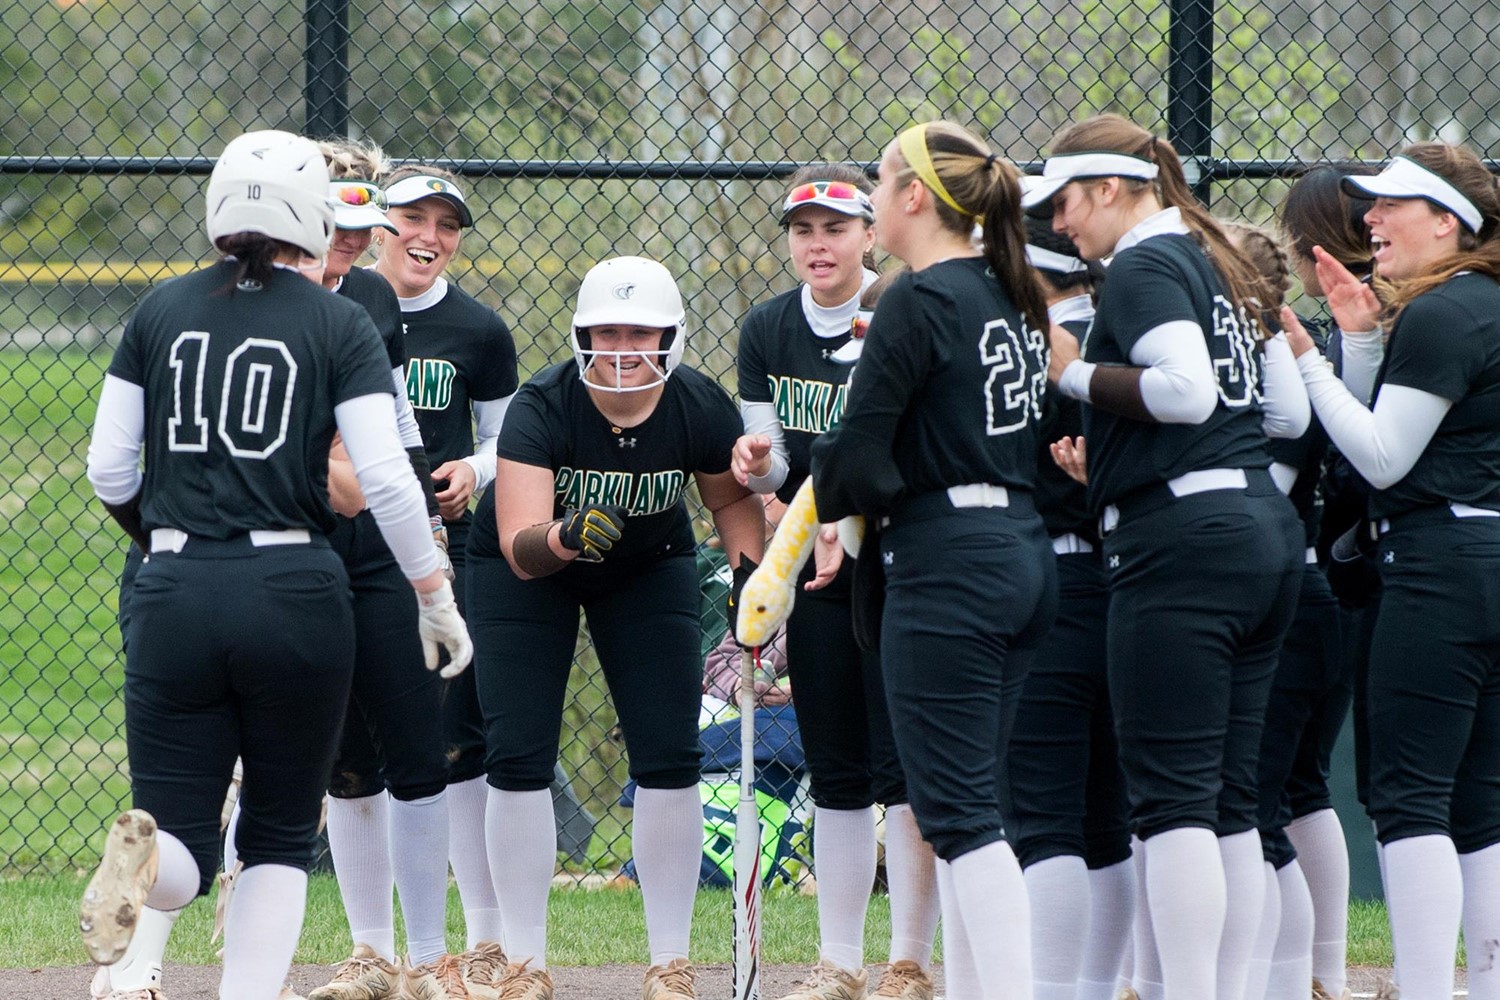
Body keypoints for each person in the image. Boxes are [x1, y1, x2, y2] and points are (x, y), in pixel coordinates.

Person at [81, 129, 471, 1000]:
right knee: (280, 834)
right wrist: (431, 588)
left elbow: (108, 468)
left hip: (173, 586)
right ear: (309, 210)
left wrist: (166, 538)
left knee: (179, 830)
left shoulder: (159, 310)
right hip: (295, 589)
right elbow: (387, 481)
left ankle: (146, 864)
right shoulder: (340, 319)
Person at [1024, 113, 1308, 1000]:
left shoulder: (1148, 260)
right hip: (1258, 530)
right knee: (1229, 803)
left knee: (1175, 801)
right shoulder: (1212, 253)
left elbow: (1184, 393)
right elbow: (1285, 420)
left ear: (1110, 187)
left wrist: (1070, 374)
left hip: (1182, 551)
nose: (1060, 223)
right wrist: (1117, 451)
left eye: (1066, 202)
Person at [468, 255, 765, 1000]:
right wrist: (568, 536)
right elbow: (520, 544)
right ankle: (525, 962)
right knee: (518, 751)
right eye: (607, 332)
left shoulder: (698, 404)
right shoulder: (542, 406)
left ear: (671, 337)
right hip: (528, 565)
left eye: (641, 332)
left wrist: (748, 573)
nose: (623, 349)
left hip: (646, 563)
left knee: (669, 750)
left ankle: (670, 962)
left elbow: (730, 502)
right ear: (581, 336)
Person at [810, 121, 1057, 1000]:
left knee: (956, 813)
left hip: (948, 562)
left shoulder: (920, 296)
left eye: (879, 182)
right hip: (1023, 552)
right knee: (975, 807)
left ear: (914, 196)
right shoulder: (1014, 289)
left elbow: (862, 454)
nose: (873, 199)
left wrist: (830, 488)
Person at [1281, 143, 1500, 1000]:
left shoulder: (1449, 311)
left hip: (1441, 569)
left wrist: (1309, 357)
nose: (1369, 218)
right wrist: (1362, 342)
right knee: (1480, 805)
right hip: (1479, 557)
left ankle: (1423, 987)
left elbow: (1379, 456)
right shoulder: (1475, 304)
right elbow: (1397, 431)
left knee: (1409, 799)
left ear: (1447, 220)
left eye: (1391, 206)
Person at [732, 162, 940, 1000]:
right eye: (803, 230)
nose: (819, 246)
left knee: (913, 769)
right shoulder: (768, 329)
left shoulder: (904, 308)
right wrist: (758, 466)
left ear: (869, 233)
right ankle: (840, 962)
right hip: (810, 570)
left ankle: (908, 963)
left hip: (894, 557)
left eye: (836, 229)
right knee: (838, 768)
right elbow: (774, 460)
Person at [302, 140, 481, 1000]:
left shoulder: (372, 295)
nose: (347, 233)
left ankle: (429, 957)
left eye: (356, 217)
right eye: (331, 214)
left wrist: (427, 551)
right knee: (342, 756)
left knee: (417, 741)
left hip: (379, 536)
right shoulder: (251, 294)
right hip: (299, 543)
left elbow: (398, 427)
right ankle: (369, 952)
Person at [373, 164, 519, 954]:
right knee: (363, 749)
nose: (428, 237)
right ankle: (378, 946)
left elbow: (506, 439)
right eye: (412, 218)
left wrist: (474, 471)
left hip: (445, 544)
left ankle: (486, 938)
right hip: (354, 545)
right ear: (377, 222)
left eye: (447, 224)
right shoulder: (339, 307)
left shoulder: (478, 330)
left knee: (455, 742)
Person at [1004, 215, 1134, 1000]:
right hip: (1126, 585)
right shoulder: (1128, 336)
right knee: (1107, 816)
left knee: (1045, 814)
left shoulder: (1032, 351)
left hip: (1046, 586)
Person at [1219, 220, 1332, 1000]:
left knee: (1259, 810)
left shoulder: (1270, 371)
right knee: (1272, 803)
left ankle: (1289, 983)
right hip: (1290, 597)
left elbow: (1284, 448)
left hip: (1291, 598)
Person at [1273, 164, 1377, 1000]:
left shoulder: (1336, 336)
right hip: (1335, 584)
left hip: (1324, 582)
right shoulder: (1333, 338)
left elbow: (1348, 460)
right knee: (1304, 782)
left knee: (1271, 785)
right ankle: (1325, 976)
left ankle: (1306, 975)